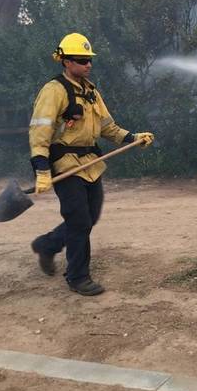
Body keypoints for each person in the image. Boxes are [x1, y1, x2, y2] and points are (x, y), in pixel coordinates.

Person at [28, 32, 154, 296]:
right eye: (82, 60)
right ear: (65, 61)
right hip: (65, 165)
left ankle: (47, 245)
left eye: (89, 60)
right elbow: (40, 133)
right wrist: (41, 171)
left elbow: (108, 127)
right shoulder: (54, 91)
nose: (88, 64)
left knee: (89, 217)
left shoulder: (91, 92)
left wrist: (133, 138)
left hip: (90, 163)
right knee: (79, 221)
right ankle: (77, 277)